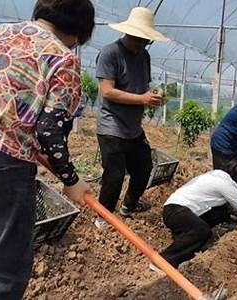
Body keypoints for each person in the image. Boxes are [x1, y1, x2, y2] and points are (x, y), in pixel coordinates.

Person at [0, 1, 95, 299]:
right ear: (78, 31)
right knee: (1, 269)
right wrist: (72, 181)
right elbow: (49, 130)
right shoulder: (61, 58)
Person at [95, 7, 169, 223]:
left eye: (146, 41)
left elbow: (142, 87)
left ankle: (128, 206)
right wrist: (142, 99)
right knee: (114, 175)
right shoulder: (110, 53)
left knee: (144, 168)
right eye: (139, 39)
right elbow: (107, 91)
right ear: (129, 33)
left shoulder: (143, 56)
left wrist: (154, 97)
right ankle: (103, 218)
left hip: (133, 128)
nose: (142, 44)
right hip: (112, 127)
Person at [156, 168, 237, 270]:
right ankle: (162, 261)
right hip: (175, 211)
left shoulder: (217, 175)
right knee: (202, 230)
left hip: (177, 209)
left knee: (221, 212)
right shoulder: (226, 186)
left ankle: (190, 240)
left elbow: (230, 207)